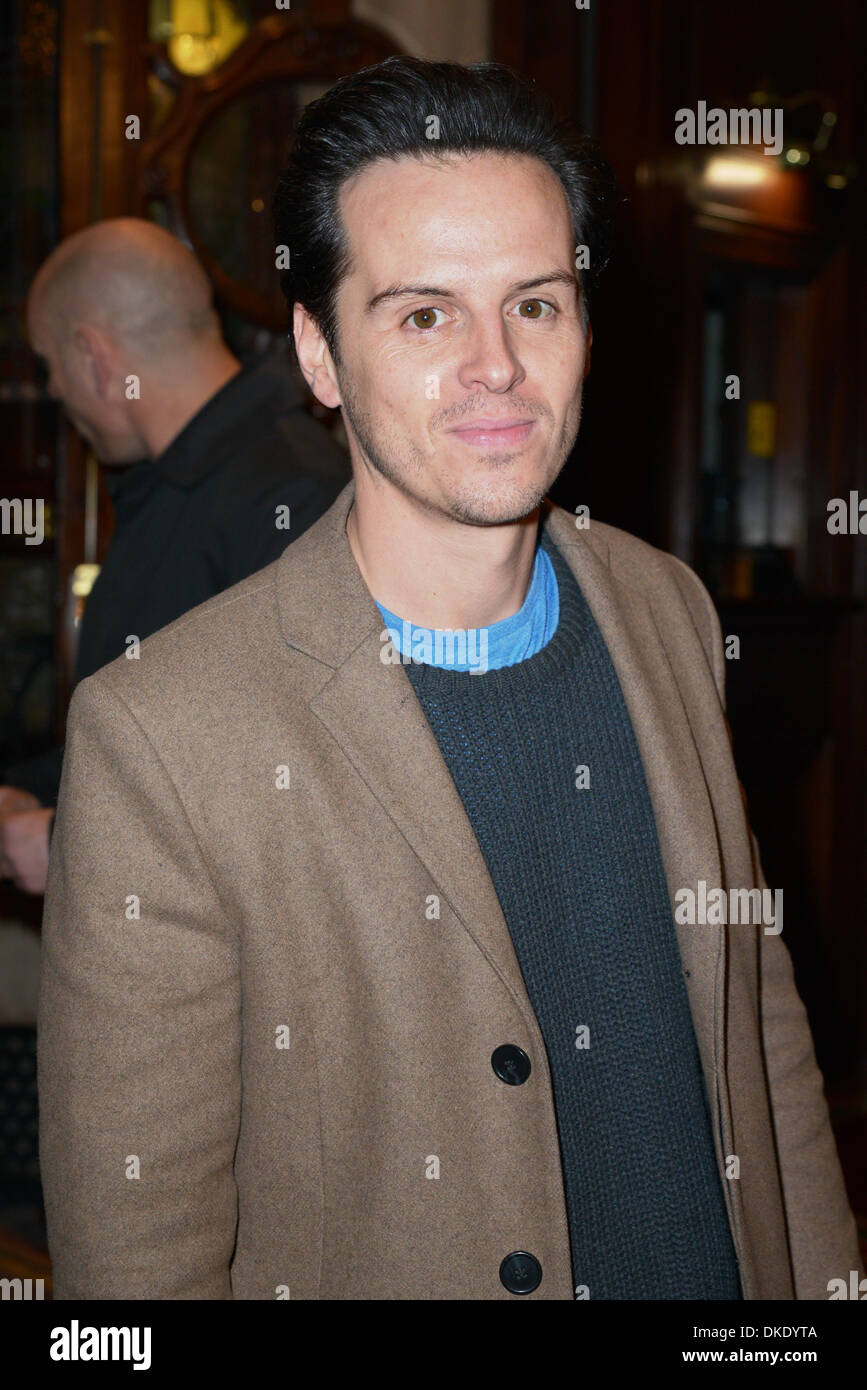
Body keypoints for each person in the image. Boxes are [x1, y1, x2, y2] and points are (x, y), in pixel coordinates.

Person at [38, 59, 861, 1300]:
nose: (495, 366)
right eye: (424, 314)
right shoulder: (164, 733)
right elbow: (136, 1263)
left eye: (534, 304)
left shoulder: (667, 610)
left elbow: (760, 1032)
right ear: (318, 353)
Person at [0, 219, 348, 894]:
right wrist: (24, 790)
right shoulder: (171, 487)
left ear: (93, 357)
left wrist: (64, 842)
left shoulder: (293, 496)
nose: (56, 396)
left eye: (51, 370)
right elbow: (145, 745)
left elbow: (297, 781)